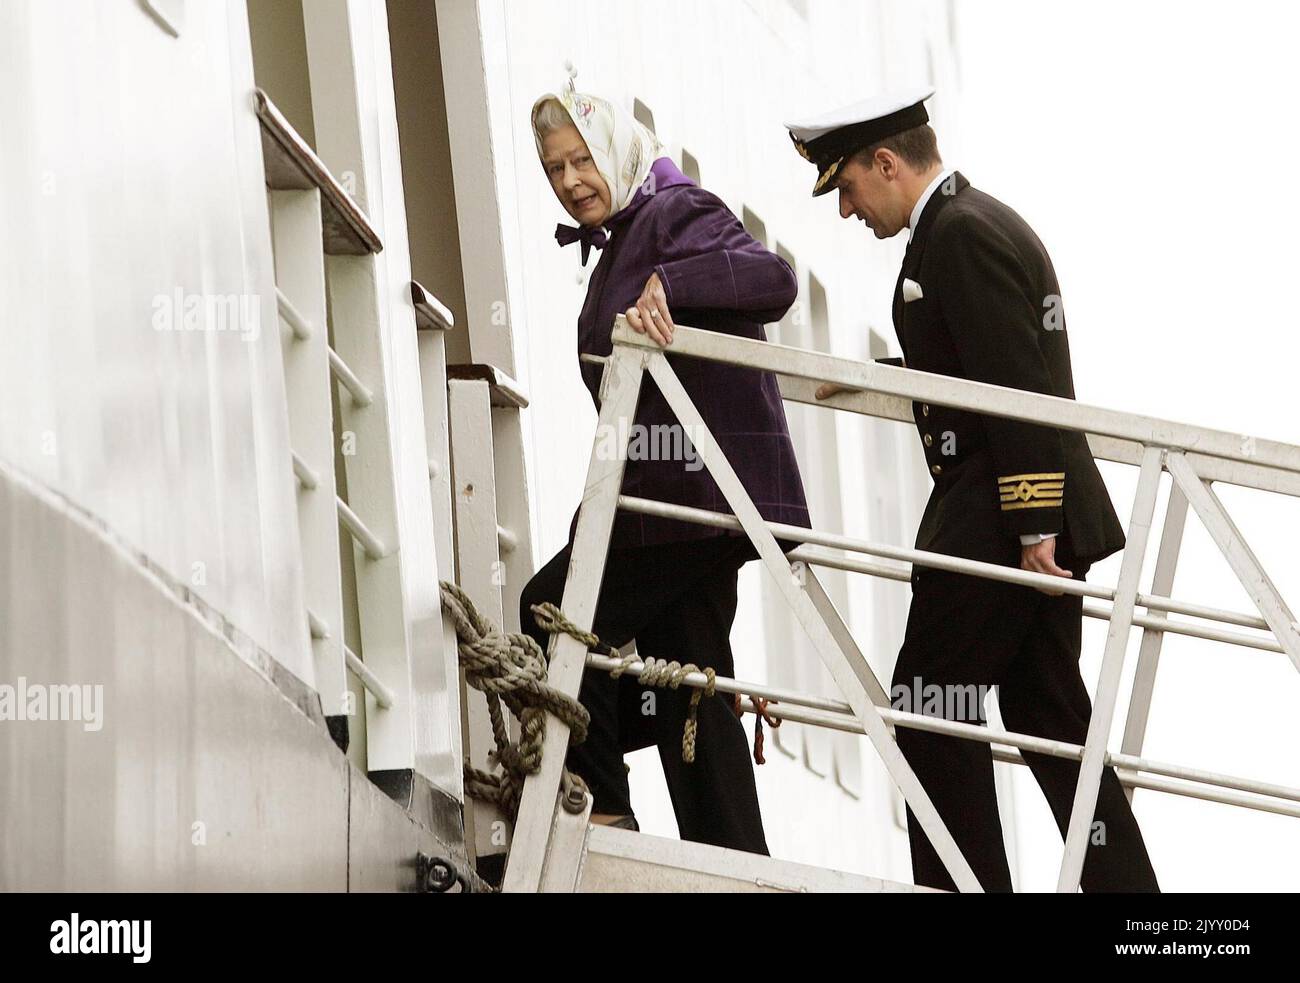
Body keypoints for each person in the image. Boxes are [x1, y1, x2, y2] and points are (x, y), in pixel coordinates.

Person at [786, 88, 1159, 891]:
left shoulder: (958, 235)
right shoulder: (973, 222)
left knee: (928, 706)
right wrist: (867, 379)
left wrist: (1032, 529)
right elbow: (975, 363)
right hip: (1026, 511)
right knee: (1048, 716)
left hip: (1002, 516)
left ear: (887, 163)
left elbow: (1016, 387)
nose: (847, 209)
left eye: (847, 186)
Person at [518, 86, 811, 854]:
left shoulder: (673, 209)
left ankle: (602, 810)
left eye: (583, 158)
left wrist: (673, 284)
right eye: (555, 168)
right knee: (691, 680)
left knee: (552, 609)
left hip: (691, 501)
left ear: (615, 149)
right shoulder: (624, 234)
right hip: (673, 505)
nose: (573, 179)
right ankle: (734, 856)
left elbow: (771, 279)